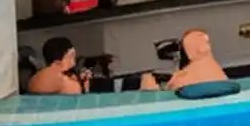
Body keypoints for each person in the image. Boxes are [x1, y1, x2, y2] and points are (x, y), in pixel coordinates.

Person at [28, 36, 159, 94]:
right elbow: (35, 85)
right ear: (57, 61)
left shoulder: (66, 75)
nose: (73, 62)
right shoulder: (52, 76)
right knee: (145, 81)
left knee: (147, 79)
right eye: (70, 57)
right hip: (97, 91)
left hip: (99, 87)